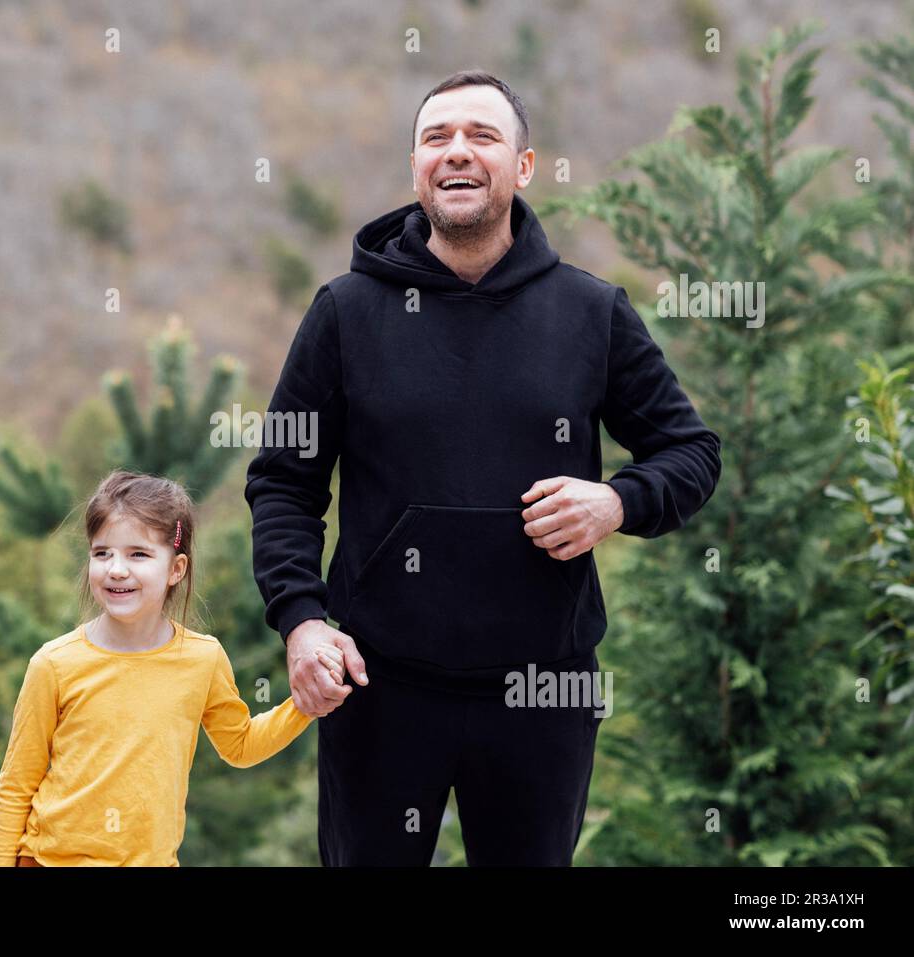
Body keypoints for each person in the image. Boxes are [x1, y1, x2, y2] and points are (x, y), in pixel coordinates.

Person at [244, 70, 722, 866]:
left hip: (543, 692)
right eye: (437, 138)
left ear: (524, 167)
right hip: (379, 687)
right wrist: (300, 621)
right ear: (415, 166)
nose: (456, 153)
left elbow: (692, 451)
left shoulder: (590, 311)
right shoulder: (346, 312)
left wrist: (616, 501)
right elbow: (284, 482)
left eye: (482, 136)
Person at [0, 469, 342, 866]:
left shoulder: (202, 659)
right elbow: (16, 787)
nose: (116, 568)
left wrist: (304, 705)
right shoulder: (53, 664)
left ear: (176, 569)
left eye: (138, 554)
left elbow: (240, 746)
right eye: (102, 552)